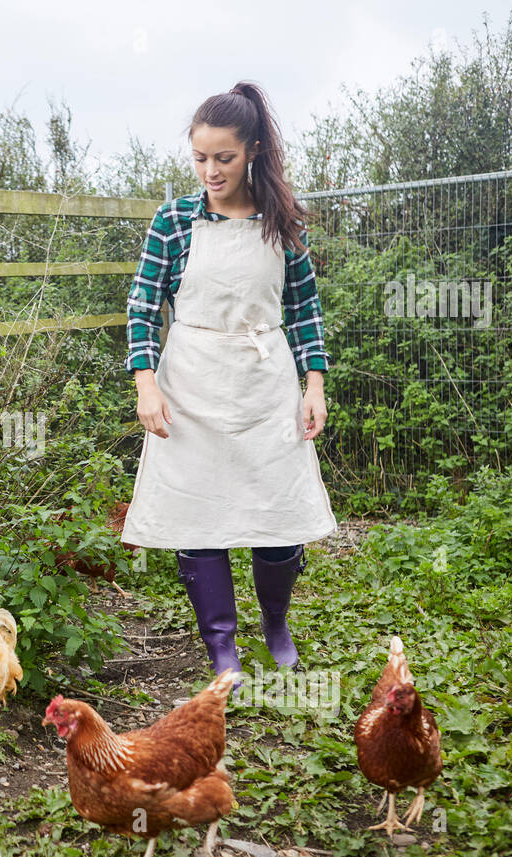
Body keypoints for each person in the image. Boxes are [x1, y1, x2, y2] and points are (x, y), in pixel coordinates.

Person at [119, 81, 338, 685]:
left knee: (277, 513)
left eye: (224, 157)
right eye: (200, 157)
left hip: (265, 384)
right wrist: (146, 383)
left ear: (254, 152)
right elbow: (142, 306)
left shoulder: (283, 225)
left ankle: (275, 624)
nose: (210, 170)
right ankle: (222, 647)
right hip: (190, 383)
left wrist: (314, 384)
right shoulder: (174, 222)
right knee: (200, 515)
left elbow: (305, 311)